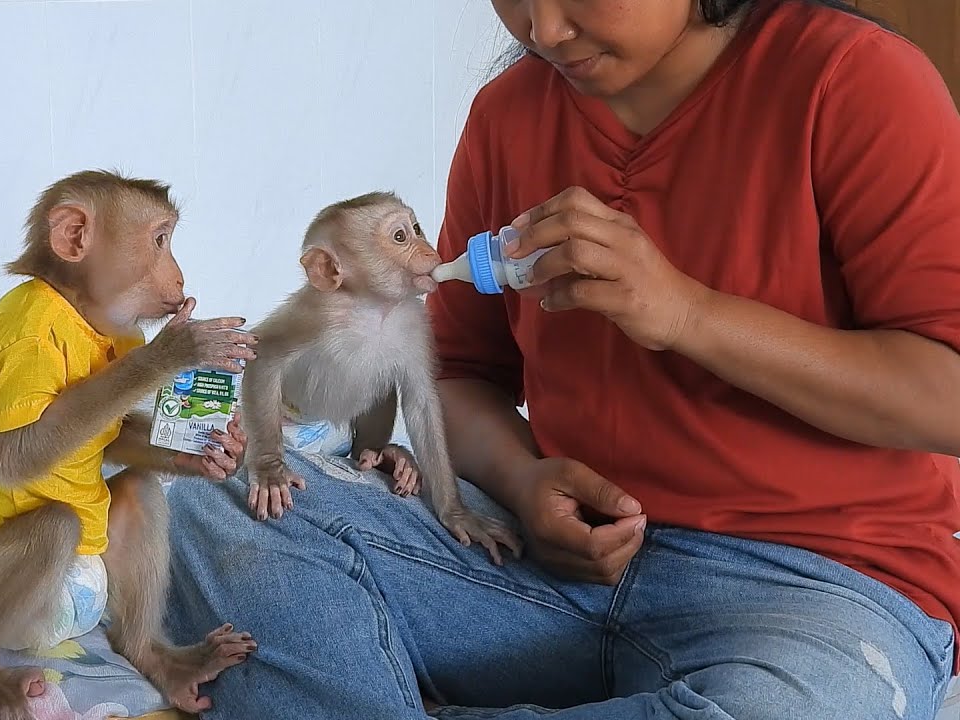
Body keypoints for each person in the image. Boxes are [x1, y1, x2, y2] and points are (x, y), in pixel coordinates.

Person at [163, 0, 960, 717]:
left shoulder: (852, 82)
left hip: (815, 589)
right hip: (545, 570)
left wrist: (687, 313)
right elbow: (461, 378)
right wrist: (519, 479)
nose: (542, 31)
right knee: (208, 501)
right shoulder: (509, 114)